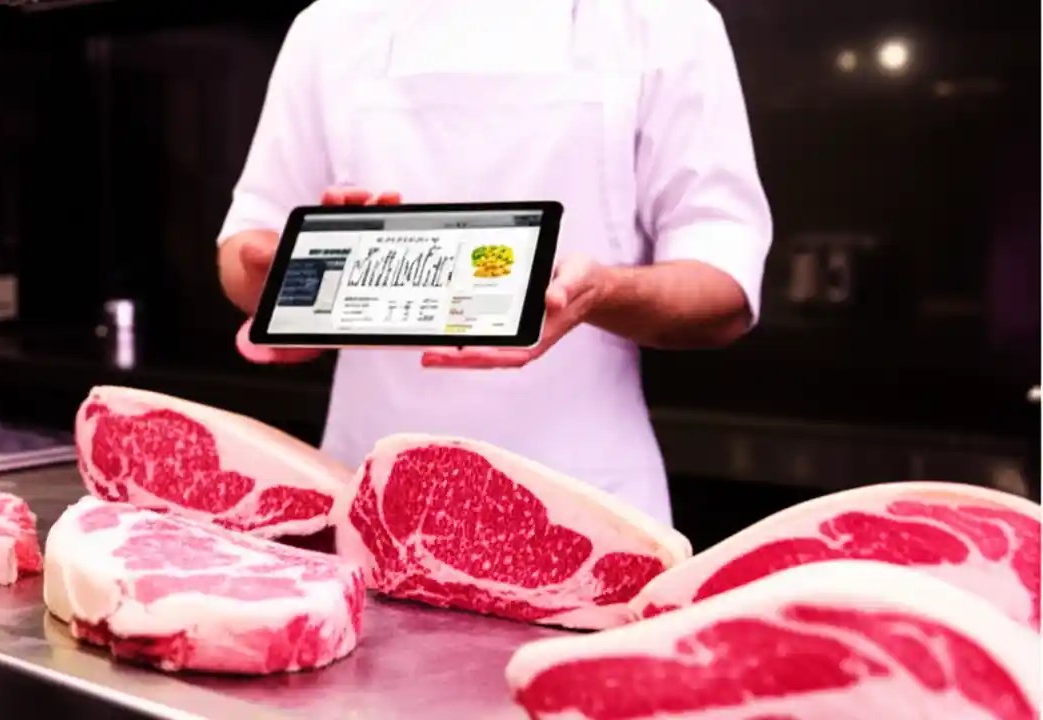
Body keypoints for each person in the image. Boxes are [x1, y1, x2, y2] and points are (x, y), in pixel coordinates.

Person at [215, 0, 772, 525]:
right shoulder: (331, 25)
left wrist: (599, 293)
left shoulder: (664, 20)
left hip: (585, 510)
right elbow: (245, 248)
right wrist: (294, 278)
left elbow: (723, 287)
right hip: (368, 494)